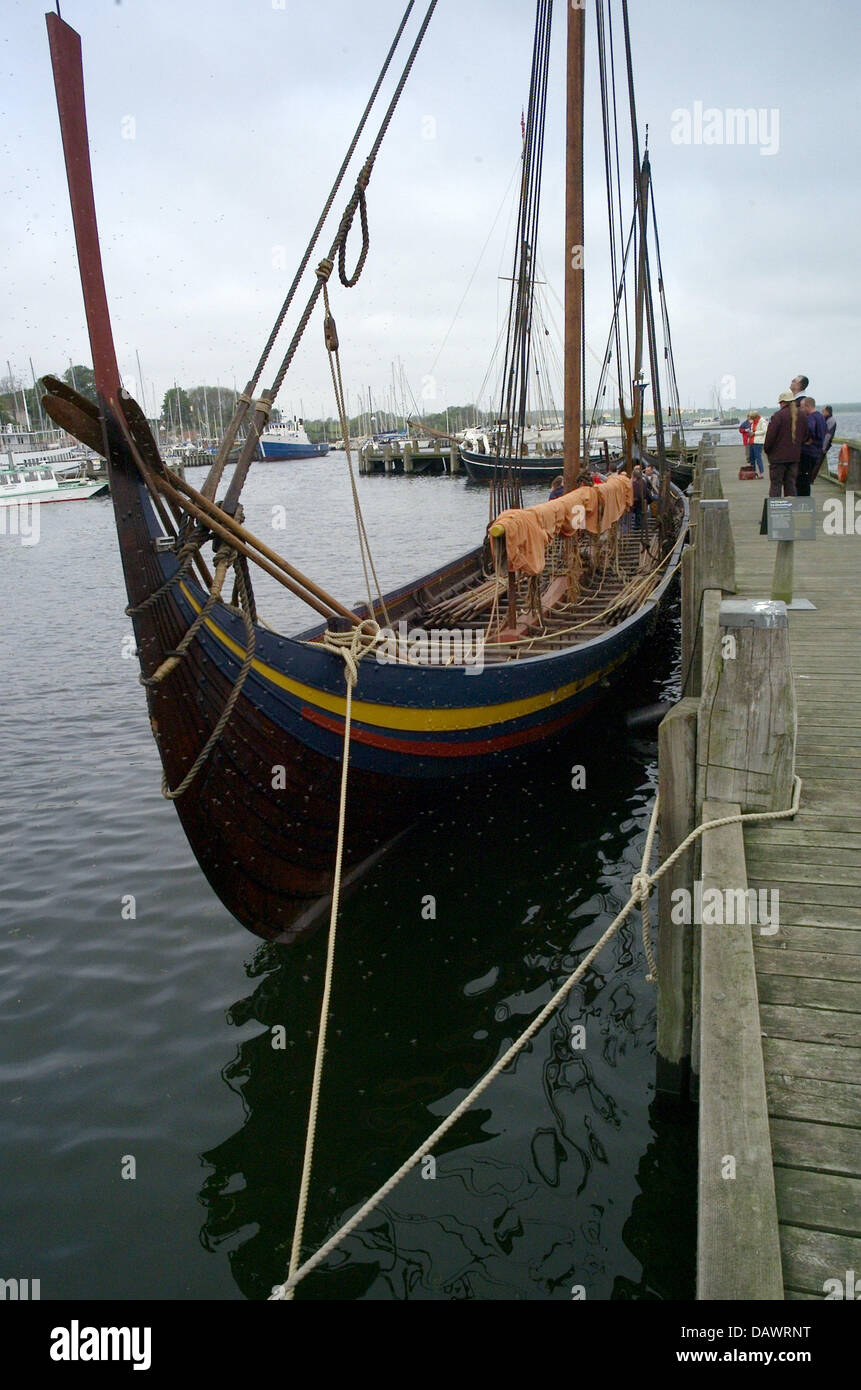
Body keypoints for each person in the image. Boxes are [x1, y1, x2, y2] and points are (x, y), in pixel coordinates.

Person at [763, 392, 804, 497]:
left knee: (776, 485)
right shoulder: (802, 416)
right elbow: (806, 435)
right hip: (794, 457)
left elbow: (770, 437)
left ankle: (776, 510)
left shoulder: (778, 416)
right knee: (790, 484)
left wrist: (767, 450)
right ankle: (790, 510)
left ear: (782, 403)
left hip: (778, 458)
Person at [797, 397, 826, 495]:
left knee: (802, 480)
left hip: (807, 452)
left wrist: (807, 439)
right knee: (807, 479)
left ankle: (802, 502)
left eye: (802, 407)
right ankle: (804, 501)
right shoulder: (821, 417)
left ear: (807, 406)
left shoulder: (811, 417)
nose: (801, 410)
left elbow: (810, 428)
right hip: (817, 452)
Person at [750, 411, 767, 476]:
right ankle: (753, 472)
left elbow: (764, 430)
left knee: (758, 457)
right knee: (751, 458)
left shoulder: (762, 421)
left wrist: (755, 433)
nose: (753, 419)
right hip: (752, 441)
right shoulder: (753, 422)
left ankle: (761, 472)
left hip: (758, 442)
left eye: (753, 418)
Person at [822, 406, 837, 472]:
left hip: (824, 447)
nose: (822, 413)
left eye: (823, 411)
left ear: (827, 412)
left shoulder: (831, 420)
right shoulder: (827, 419)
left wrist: (824, 448)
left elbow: (828, 435)